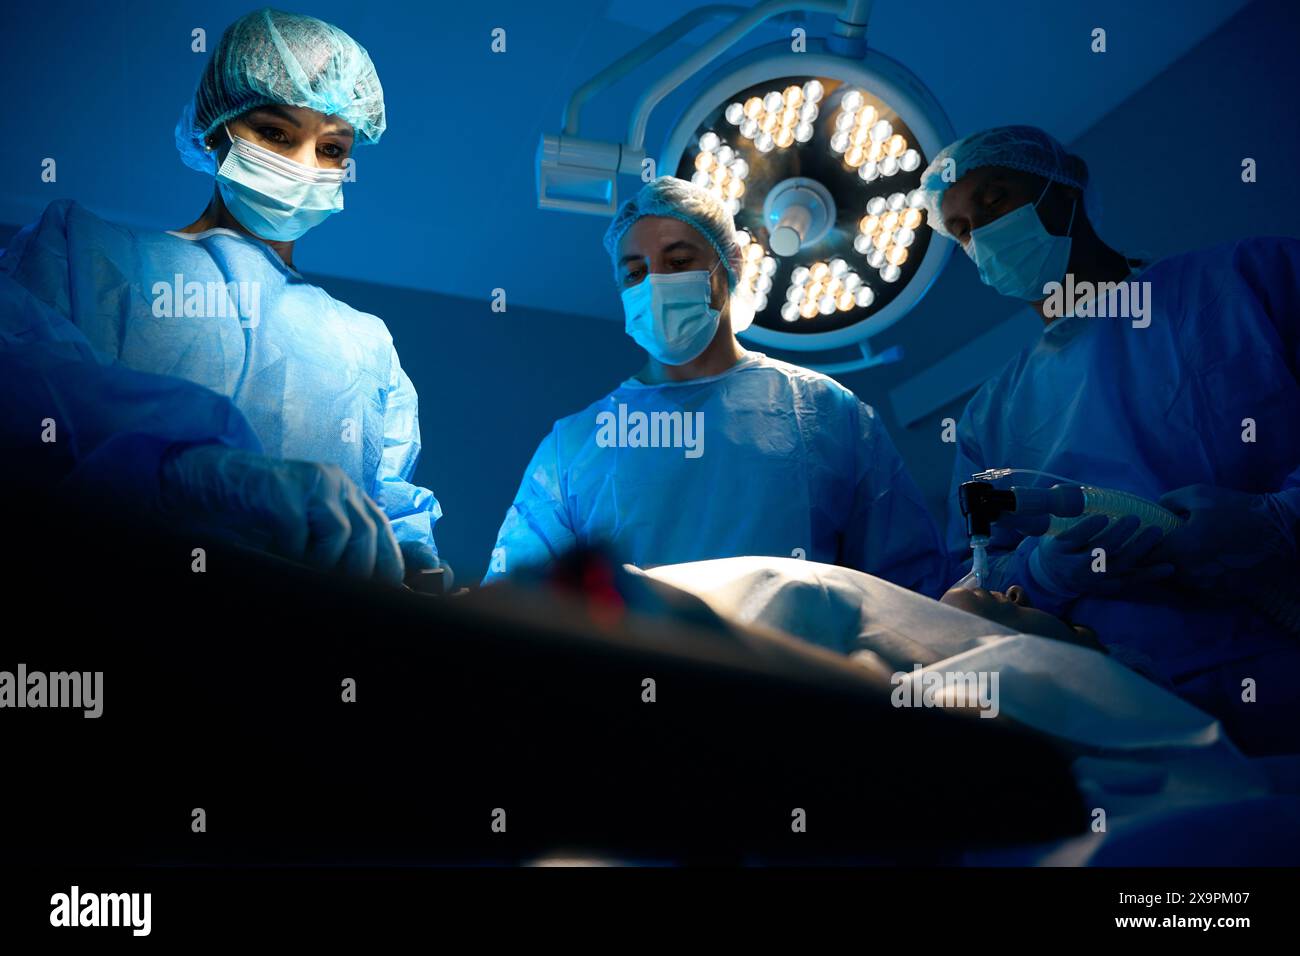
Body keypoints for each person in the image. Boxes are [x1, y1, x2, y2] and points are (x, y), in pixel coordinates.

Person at [0, 9, 441, 586]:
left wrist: (416, 573)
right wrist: (191, 476)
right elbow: (25, 409)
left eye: (332, 150)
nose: (305, 167)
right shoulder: (86, 255)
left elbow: (392, 518)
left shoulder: (366, 344)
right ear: (215, 131)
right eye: (276, 134)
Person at [918, 125, 1300, 752]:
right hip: (1140, 721)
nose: (980, 232)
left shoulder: (1248, 282)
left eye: (994, 198)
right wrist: (1045, 573)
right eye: (960, 228)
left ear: (1062, 186)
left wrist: (1280, 519)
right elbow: (975, 588)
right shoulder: (992, 418)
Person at [485, 176, 945, 595]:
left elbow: (906, 596)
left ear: (729, 265)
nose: (656, 283)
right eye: (635, 273)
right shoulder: (574, 447)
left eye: (679, 261)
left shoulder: (825, 412)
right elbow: (518, 605)